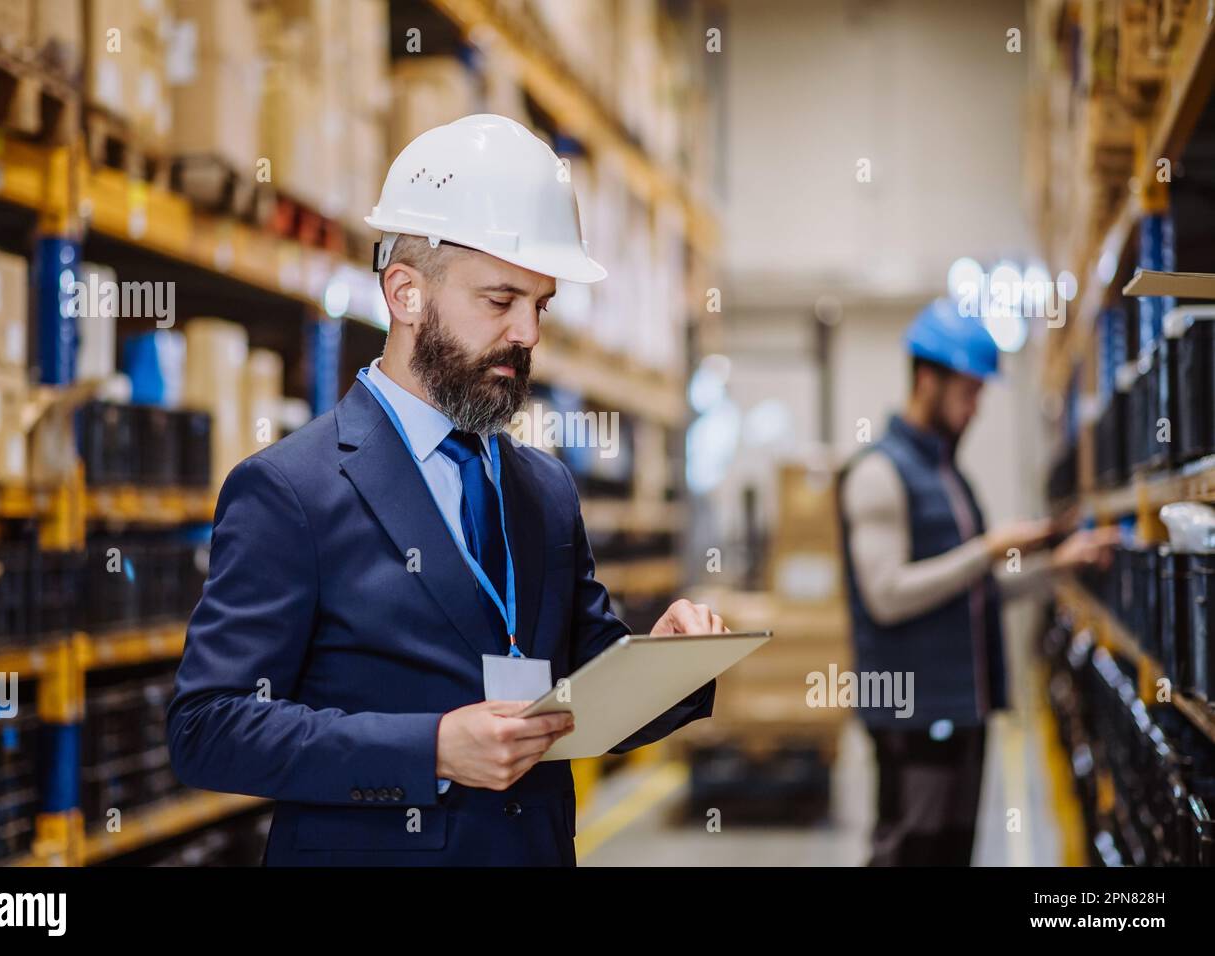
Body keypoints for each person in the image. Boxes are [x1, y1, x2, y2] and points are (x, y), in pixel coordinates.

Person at [166, 114, 725, 867]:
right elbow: (210, 728)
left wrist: (666, 666)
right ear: (405, 295)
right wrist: (428, 749)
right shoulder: (290, 490)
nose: (527, 333)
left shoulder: (544, 491)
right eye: (500, 301)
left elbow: (585, 689)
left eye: (541, 304)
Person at [838, 297, 1115, 867]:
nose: (975, 409)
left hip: (965, 708)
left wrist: (1058, 564)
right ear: (925, 380)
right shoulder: (877, 473)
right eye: (969, 392)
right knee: (908, 855)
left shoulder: (950, 477)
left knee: (950, 857)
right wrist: (986, 550)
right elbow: (886, 597)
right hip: (912, 713)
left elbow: (973, 593)